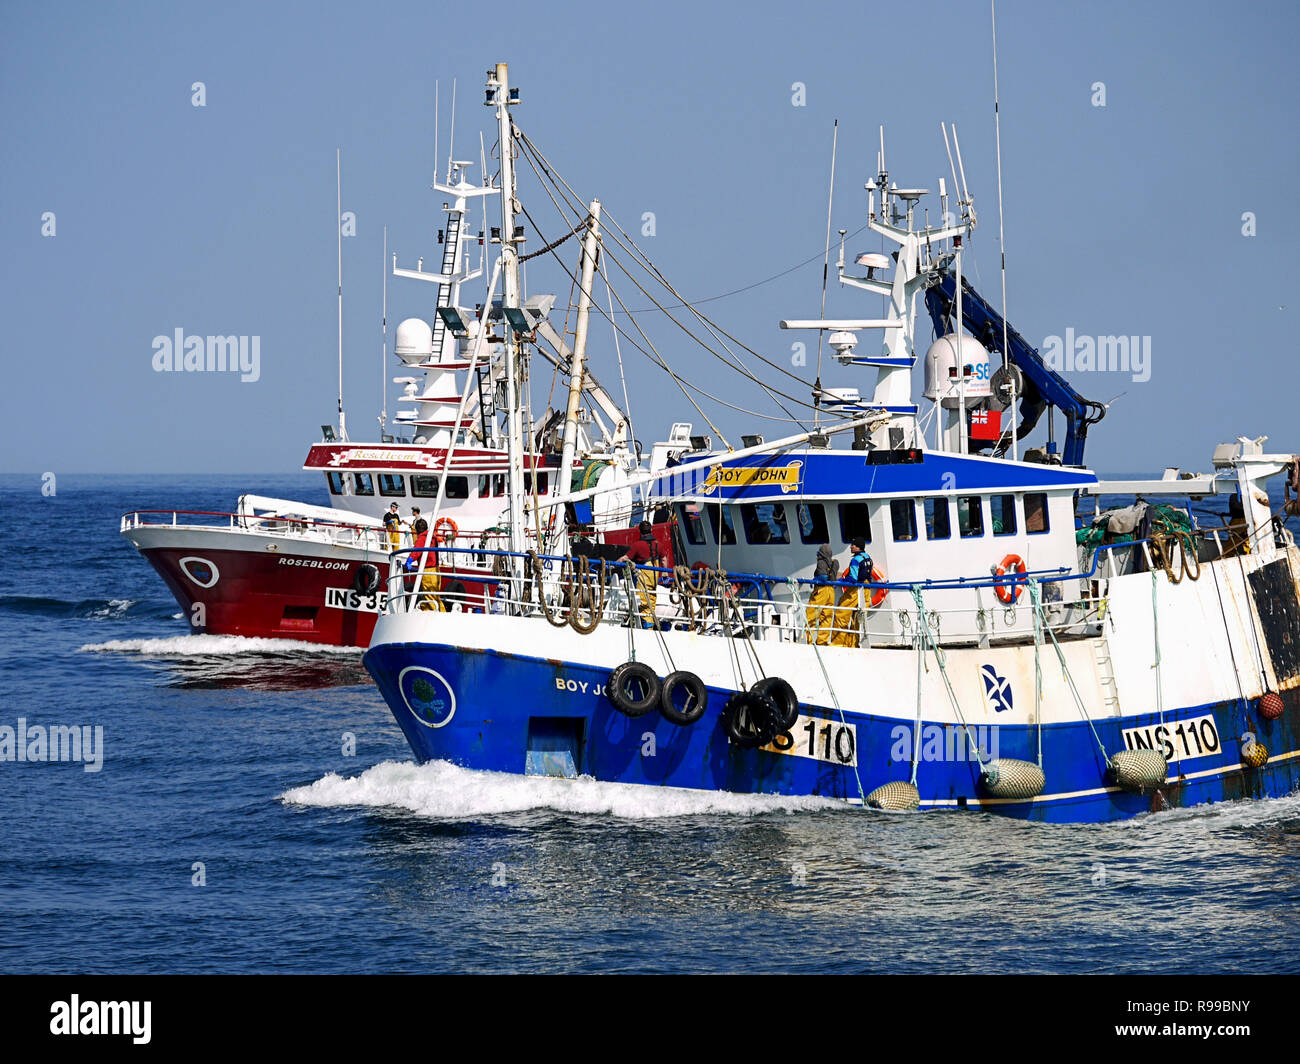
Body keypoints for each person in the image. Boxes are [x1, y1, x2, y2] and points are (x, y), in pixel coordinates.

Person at [619, 521, 661, 628]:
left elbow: (625, 558)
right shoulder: (658, 544)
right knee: (651, 604)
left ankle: (647, 630)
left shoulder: (637, 545)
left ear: (640, 531)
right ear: (651, 530)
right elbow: (664, 559)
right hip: (654, 581)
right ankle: (649, 627)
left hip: (643, 582)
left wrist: (612, 565)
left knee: (644, 605)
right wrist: (664, 574)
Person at [832, 537, 872, 648]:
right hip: (867, 588)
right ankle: (853, 644)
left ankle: (838, 644)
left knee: (841, 614)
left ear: (858, 546)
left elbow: (853, 578)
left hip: (856, 589)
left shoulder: (855, 560)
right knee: (858, 618)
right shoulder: (867, 557)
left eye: (853, 545)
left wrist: (841, 581)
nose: (851, 546)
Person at [404, 517, 442, 611]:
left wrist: (409, 560)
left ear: (417, 530)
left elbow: (417, 550)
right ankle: (427, 610)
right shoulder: (432, 536)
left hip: (428, 571)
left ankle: (438, 617)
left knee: (430, 597)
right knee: (435, 597)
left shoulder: (422, 537)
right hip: (436, 570)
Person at [805, 544, 838, 646]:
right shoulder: (835, 563)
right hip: (831, 591)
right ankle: (822, 641)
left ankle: (808, 640)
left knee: (811, 615)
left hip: (821, 591)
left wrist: (814, 580)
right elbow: (832, 578)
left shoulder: (821, 562)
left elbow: (823, 577)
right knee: (826, 617)